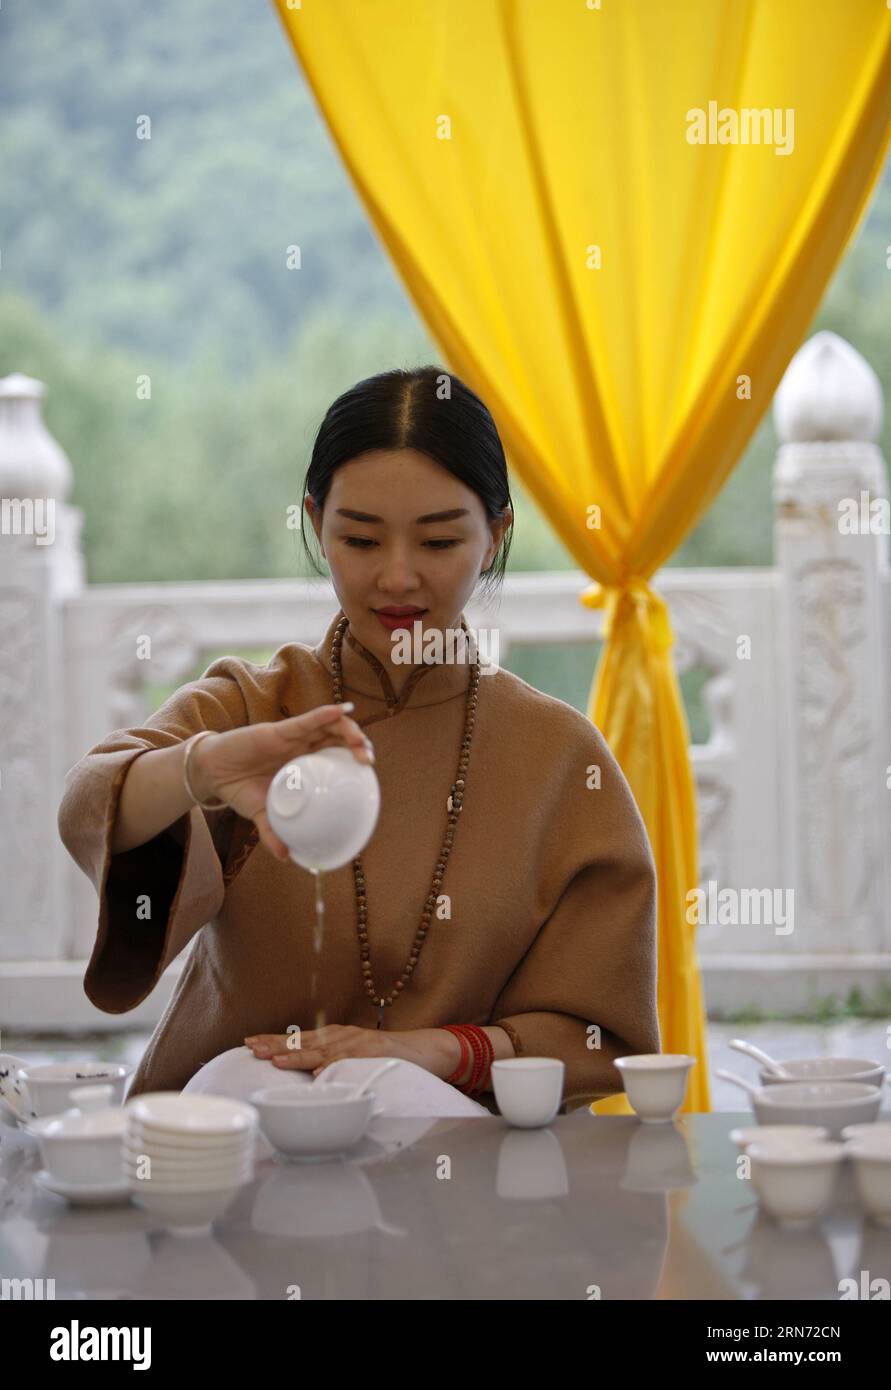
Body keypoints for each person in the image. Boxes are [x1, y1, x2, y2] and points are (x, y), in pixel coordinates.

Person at [57, 365, 660, 1119]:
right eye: (359, 539)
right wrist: (200, 768)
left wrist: (438, 1050)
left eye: (439, 541)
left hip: (458, 1182)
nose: (396, 577)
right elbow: (89, 795)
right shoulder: (255, 706)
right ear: (315, 522)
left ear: (495, 533)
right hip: (235, 1155)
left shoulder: (559, 757)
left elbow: (603, 1036)